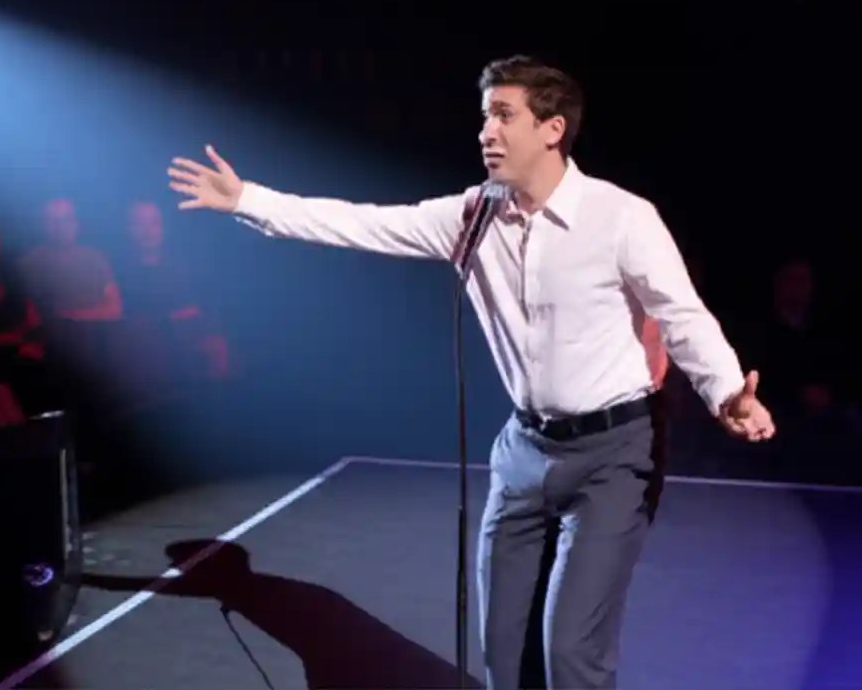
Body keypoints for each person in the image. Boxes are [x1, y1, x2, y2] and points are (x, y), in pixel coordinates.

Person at [166, 55, 775, 689]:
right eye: (485, 116)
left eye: (504, 115)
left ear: (552, 129)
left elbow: (681, 315)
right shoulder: (472, 216)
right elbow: (363, 223)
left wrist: (727, 392)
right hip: (524, 453)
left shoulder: (621, 217)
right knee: (503, 649)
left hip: (615, 455)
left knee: (570, 648)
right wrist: (247, 200)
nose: (487, 131)